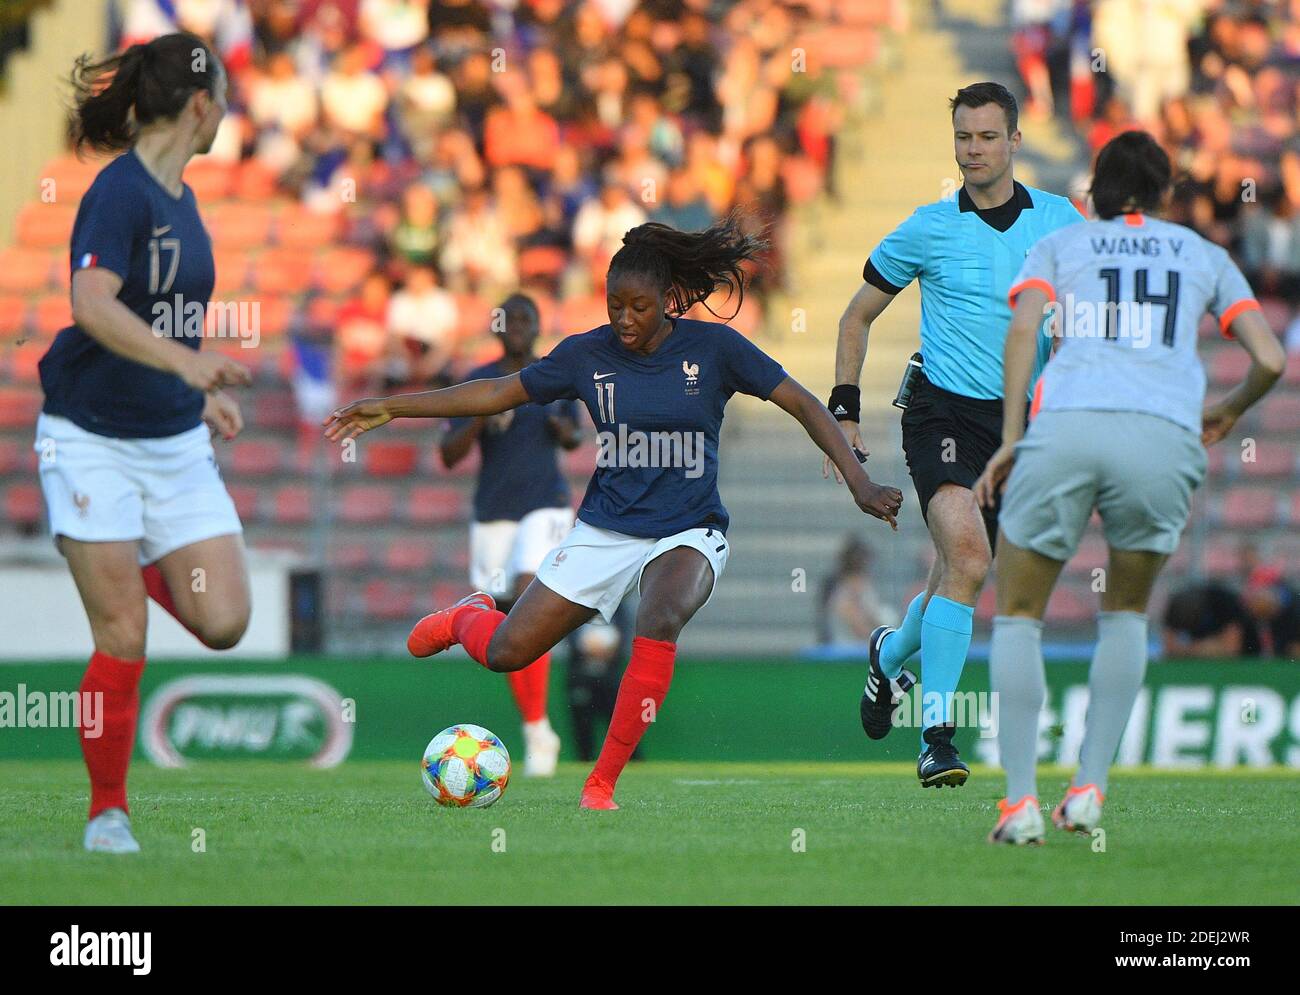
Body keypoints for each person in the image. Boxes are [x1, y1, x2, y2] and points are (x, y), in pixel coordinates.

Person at [326, 216, 904, 809]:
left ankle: (600, 783)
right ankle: (467, 616)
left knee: (660, 616)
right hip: (606, 528)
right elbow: (498, 392)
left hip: (690, 526)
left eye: (639, 307)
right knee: (506, 655)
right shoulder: (584, 355)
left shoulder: (715, 349)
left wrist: (858, 481)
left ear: (667, 301)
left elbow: (803, 403)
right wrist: (393, 407)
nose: (625, 319)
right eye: (614, 306)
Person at [974, 130, 1286, 845]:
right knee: (1126, 612)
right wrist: (1227, 412)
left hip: (1069, 426)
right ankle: (1088, 791)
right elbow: (1268, 356)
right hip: (1162, 434)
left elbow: (1023, 330)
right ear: (1166, 194)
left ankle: (1019, 804)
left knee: (1020, 612)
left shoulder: (1064, 245)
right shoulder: (1202, 254)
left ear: (1097, 194)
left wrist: (1013, 434)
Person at [826, 82, 1084, 787]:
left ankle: (888, 656)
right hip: (940, 413)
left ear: (1015, 141)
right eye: (964, 138)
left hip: (1018, 426)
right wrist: (844, 410)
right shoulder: (928, 227)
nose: (973, 150)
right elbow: (856, 317)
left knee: (954, 573)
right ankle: (936, 736)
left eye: (987, 137)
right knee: (968, 556)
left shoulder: (1060, 222)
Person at [37, 33, 254, 854]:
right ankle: (107, 813)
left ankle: (124, 570)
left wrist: (192, 399)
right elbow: (93, 304)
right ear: (200, 104)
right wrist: (192, 366)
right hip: (89, 438)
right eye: (224, 96)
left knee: (226, 618)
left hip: (170, 438)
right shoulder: (119, 193)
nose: (228, 110)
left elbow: (161, 325)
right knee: (122, 635)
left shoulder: (185, 199)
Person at [439, 292, 582, 775]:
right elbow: (449, 454)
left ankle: (538, 735)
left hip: (545, 505)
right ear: (497, 327)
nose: (518, 325)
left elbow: (574, 436)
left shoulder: (553, 376)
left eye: (527, 318)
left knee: (527, 601)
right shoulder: (479, 382)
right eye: (510, 319)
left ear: (539, 325)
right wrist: (482, 414)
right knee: (505, 627)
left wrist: (562, 428)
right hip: (493, 512)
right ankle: (537, 728)